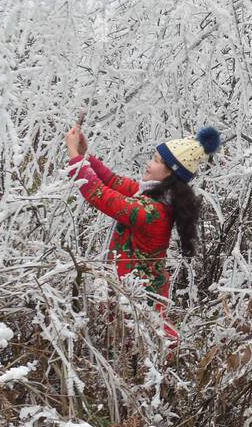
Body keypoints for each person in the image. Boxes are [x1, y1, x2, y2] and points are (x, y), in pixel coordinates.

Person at [64, 121, 221, 344]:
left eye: (156, 161)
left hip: (138, 298)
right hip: (130, 294)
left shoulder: (151, 212)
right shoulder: (151, 196)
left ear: (170, 174)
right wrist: (85, 156)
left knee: (147, 347)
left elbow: (99, 194)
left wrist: (73, 155)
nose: (148, 163)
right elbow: (111, 181)